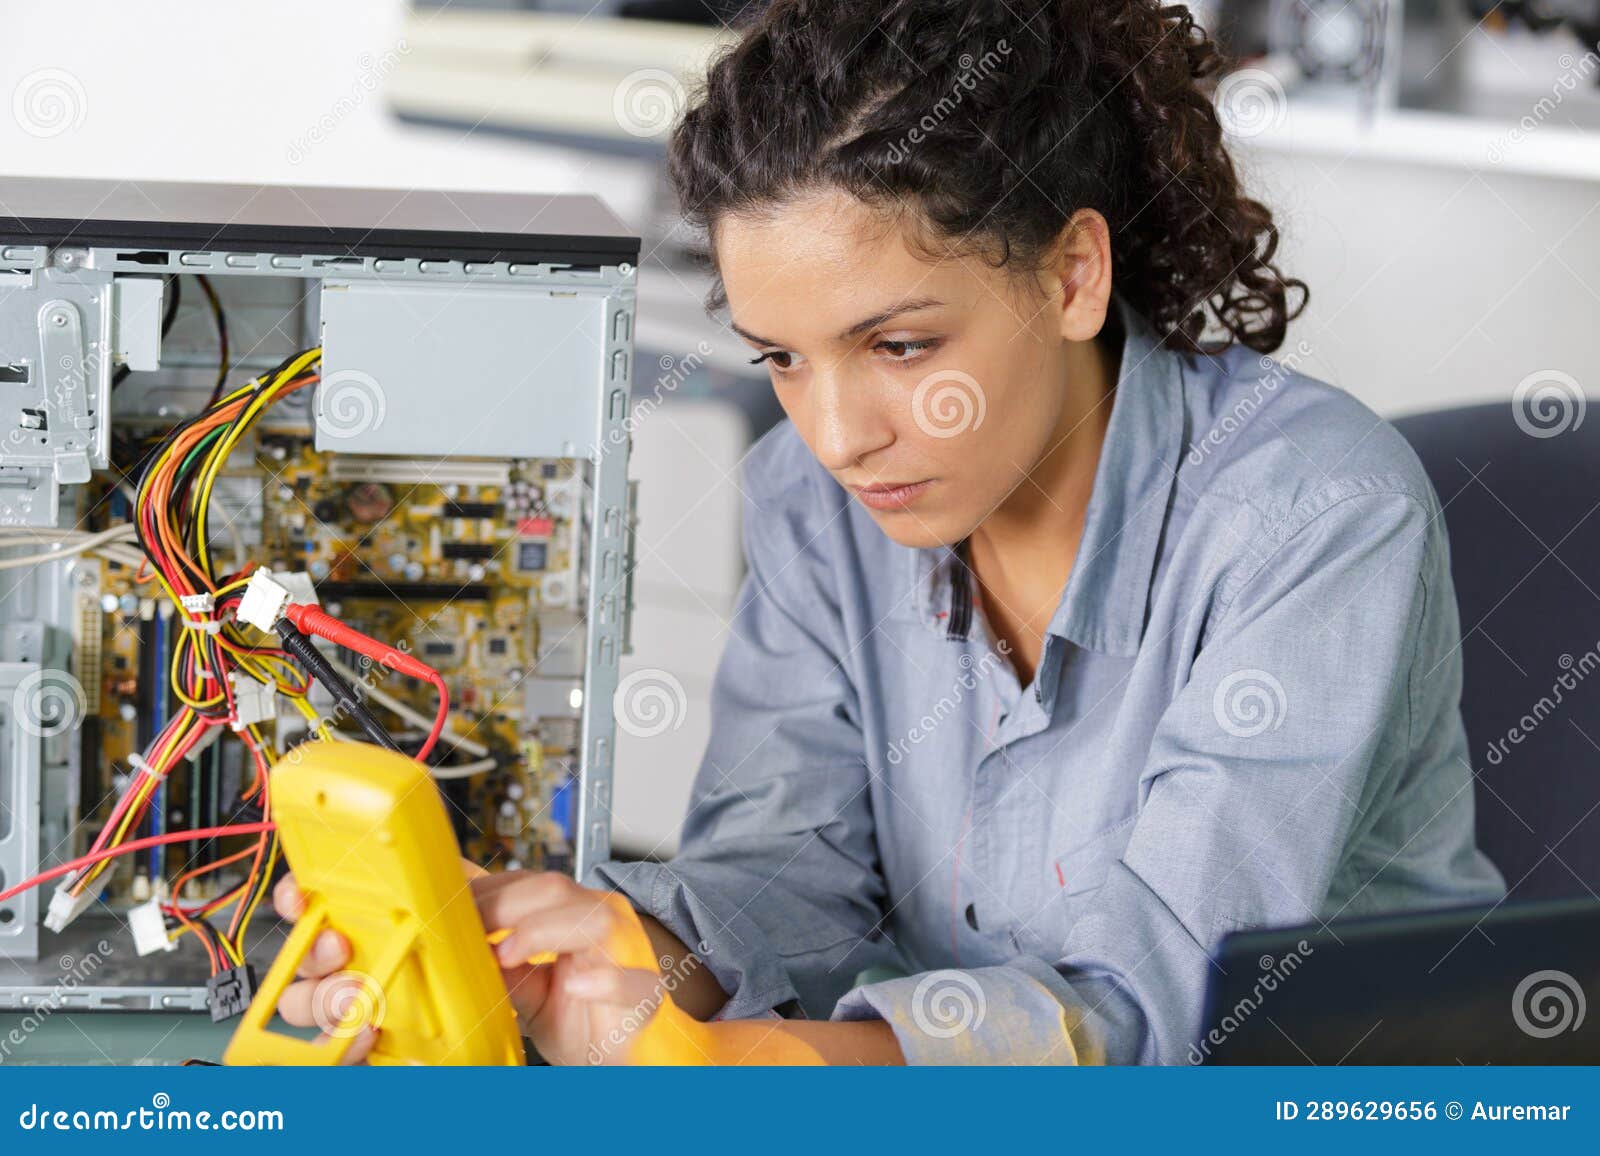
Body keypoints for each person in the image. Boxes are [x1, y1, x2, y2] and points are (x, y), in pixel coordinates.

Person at [271, 0, 1505, 1064]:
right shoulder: (813, 506)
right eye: (781, 359)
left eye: (901, 346)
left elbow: (1157, 1011)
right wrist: (629, 960)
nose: (835, 436)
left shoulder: (1314, 514)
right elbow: (788, 877)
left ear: (1072, 275)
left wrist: (768, 1067)